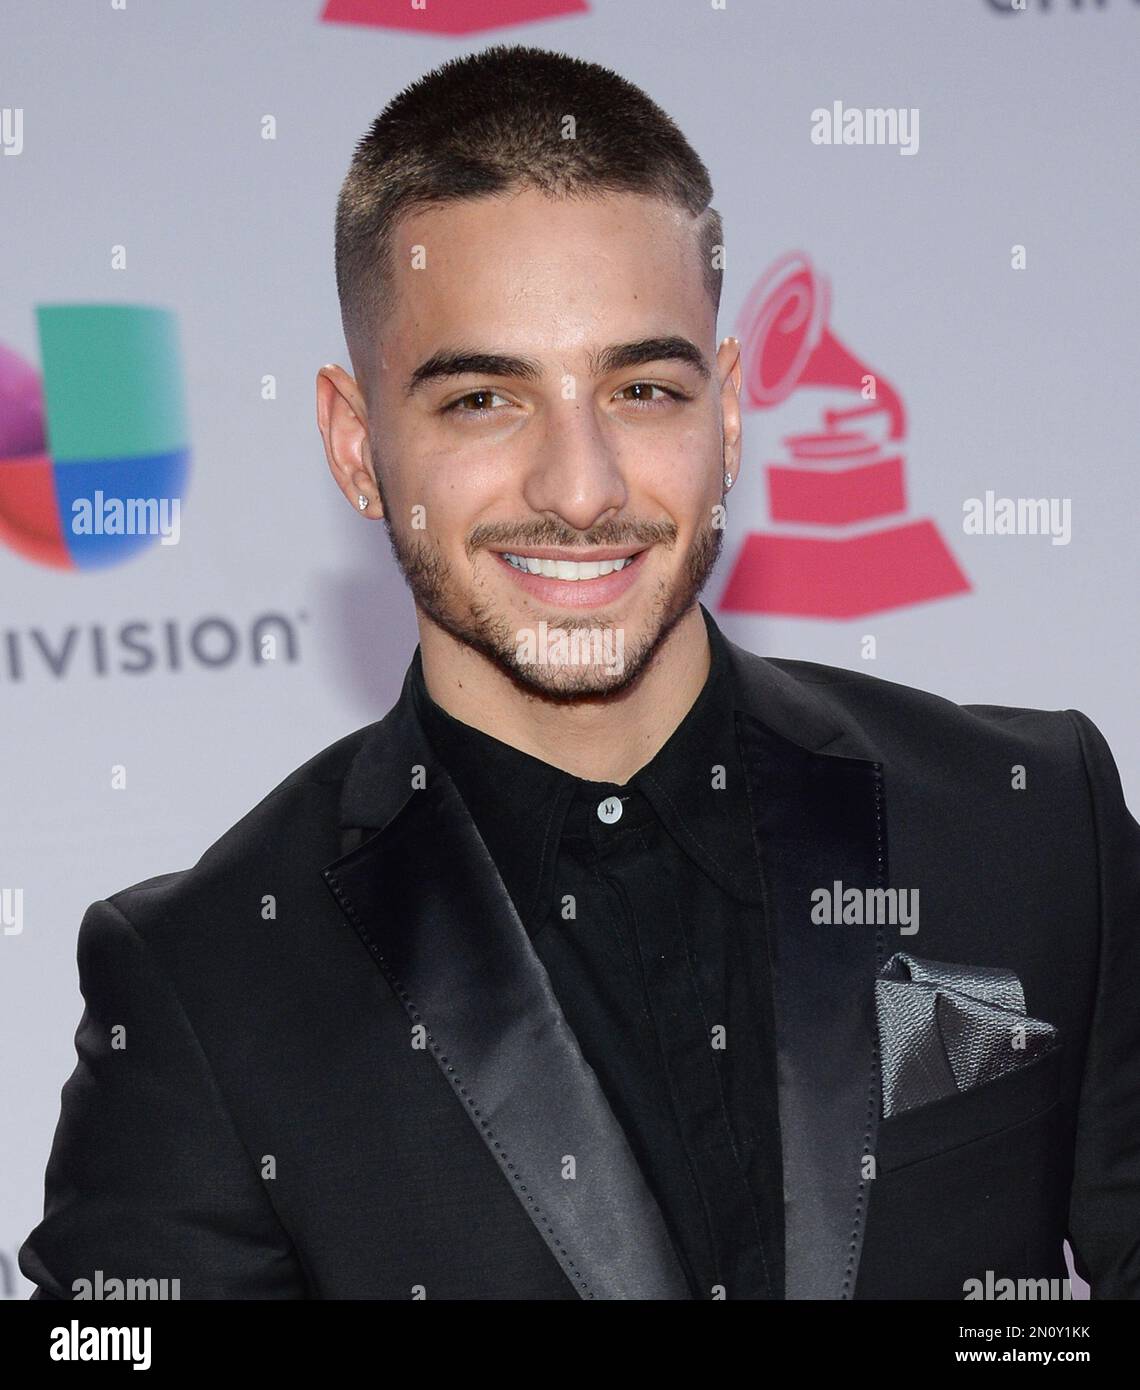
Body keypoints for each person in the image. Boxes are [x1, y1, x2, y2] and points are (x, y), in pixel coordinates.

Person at [20, 44, 1140, 1301]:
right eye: (485, 400)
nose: (582, 487)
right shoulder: (210, 983)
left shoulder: (1032, 819)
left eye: (642, 387)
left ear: (724, 421)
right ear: (355, 443)